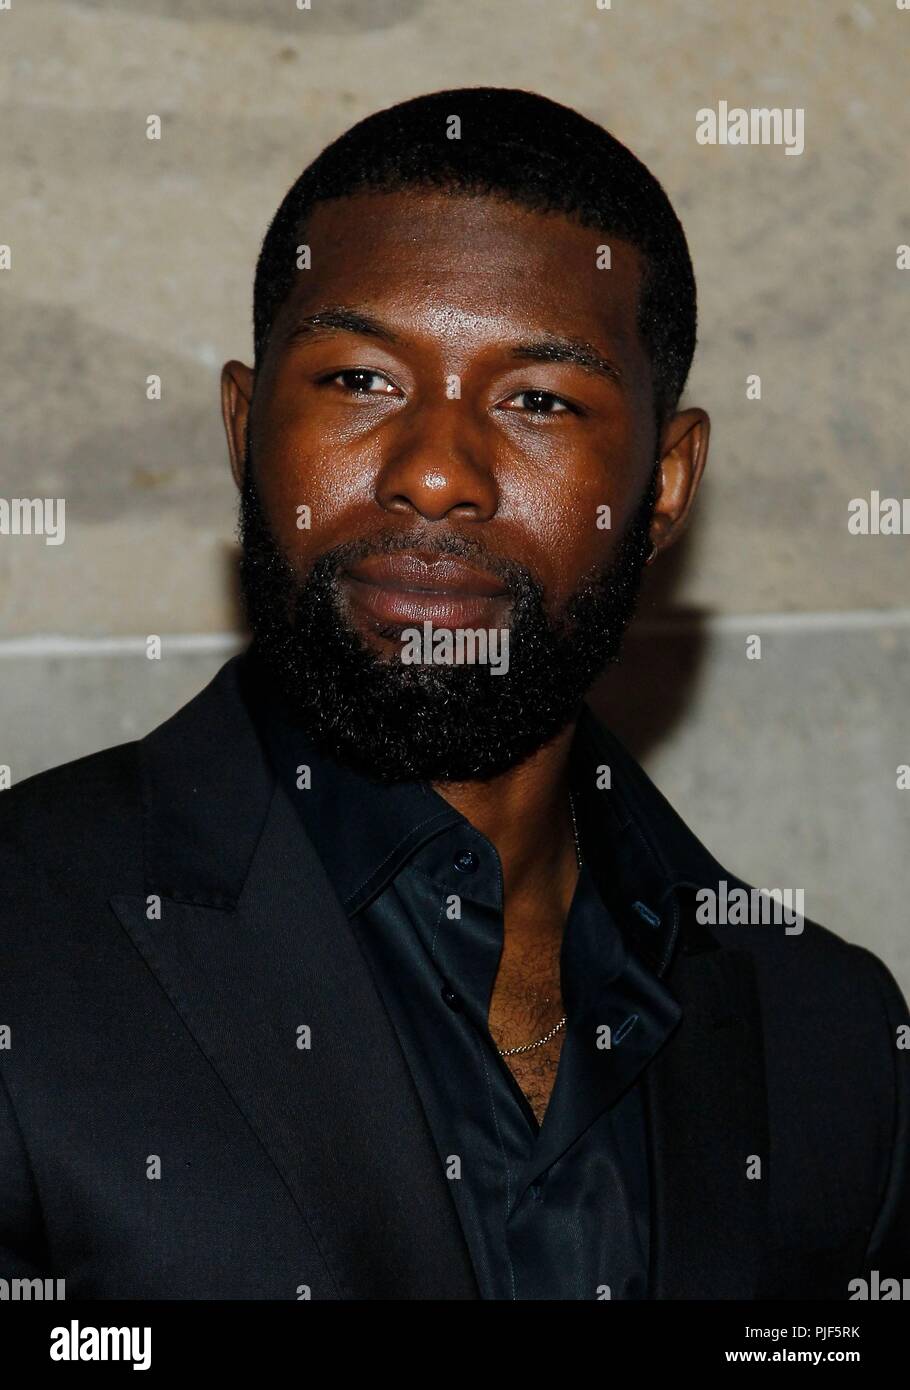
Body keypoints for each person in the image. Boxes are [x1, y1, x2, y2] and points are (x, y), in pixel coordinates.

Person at [1, 88, 907, 1301]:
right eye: (361, 380)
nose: (433, 473)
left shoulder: (830, 1034)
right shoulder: (25, 942)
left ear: (667, 480)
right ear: (240, 426)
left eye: (538, 399)